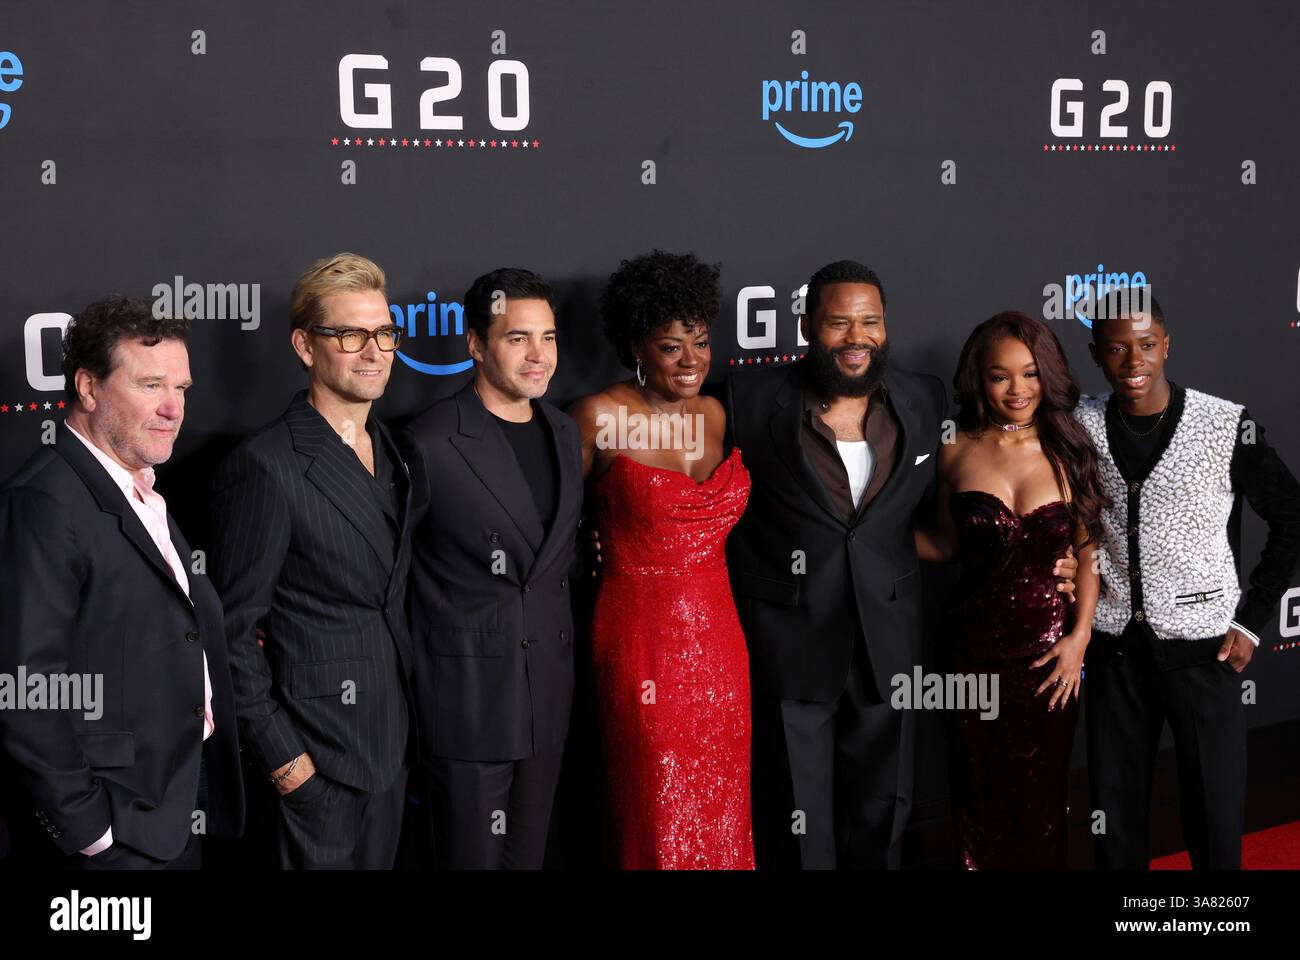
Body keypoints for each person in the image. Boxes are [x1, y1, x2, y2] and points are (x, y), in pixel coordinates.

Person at [725, 260, 1079, 869]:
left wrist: (1052, 555)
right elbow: (693, 486)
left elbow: (960, 508)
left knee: (884, 810)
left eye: (871, 322)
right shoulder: (746, 399)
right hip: (793, 636)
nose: (857, 336)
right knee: (798, 817)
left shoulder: (923, 398)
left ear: (886, 328)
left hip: (889, 637)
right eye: (839, 323)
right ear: (808, 326)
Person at [0, 296, 243, 869]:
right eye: (151, 385)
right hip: (114, 834)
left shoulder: (134, 487)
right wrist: (89, 827)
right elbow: (25, 683)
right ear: (88, 388)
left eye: (180, 389)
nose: (172, 408)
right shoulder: (45, 500)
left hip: (174, 801)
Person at [1078, 289, 1300, 869]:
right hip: (1115, 651)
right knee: (1115, 812)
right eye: (1118, 348)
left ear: (1168, 344)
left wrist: (1252, 621)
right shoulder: (1079, 424)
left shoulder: (1226, 424)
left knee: (1214, 811)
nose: (1135, 361)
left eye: (1148, 344)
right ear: (1095, 353)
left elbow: (1292, 517)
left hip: (1206, 650)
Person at [209, 253, 416, 869]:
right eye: (350, 335)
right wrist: (287, 764)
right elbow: (231, 632)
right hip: (317, 766)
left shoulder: (394, 452)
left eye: (383, 333)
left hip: (393, 750)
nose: (373, 351)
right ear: (305, 345)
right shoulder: (267, 465)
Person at [569, 251, 753, 869]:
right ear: (635, 346)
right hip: (639, 632)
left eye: (700, 343)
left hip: (722, 637)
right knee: (654, 800)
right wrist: (586, 543)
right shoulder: (597, 417)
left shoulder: (715, 414)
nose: (692, 361)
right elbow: (548, 524)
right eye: (671, 347)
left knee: (723, 800)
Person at [398, 268, 582, 869]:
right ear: (475, 344)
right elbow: (394, 581)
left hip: (548, 698)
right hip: (467, 703)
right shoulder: (427, 441)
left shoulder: (562, 430)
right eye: (517, 338)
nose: (538, 355)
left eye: (548, 338)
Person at [915, 311, 1103, 868]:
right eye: (1000, 377)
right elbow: (947, 546)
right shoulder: (954, 448)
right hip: (970, 652)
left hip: (1051, 657)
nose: (1017, 390)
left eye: (1029, 374)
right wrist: (867, 540)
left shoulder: (1070, 446)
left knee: (1043, 798)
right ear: (980, 378)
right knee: (977, 794)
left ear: (1047, 375)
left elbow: (1089, 553)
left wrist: (1079, 641)